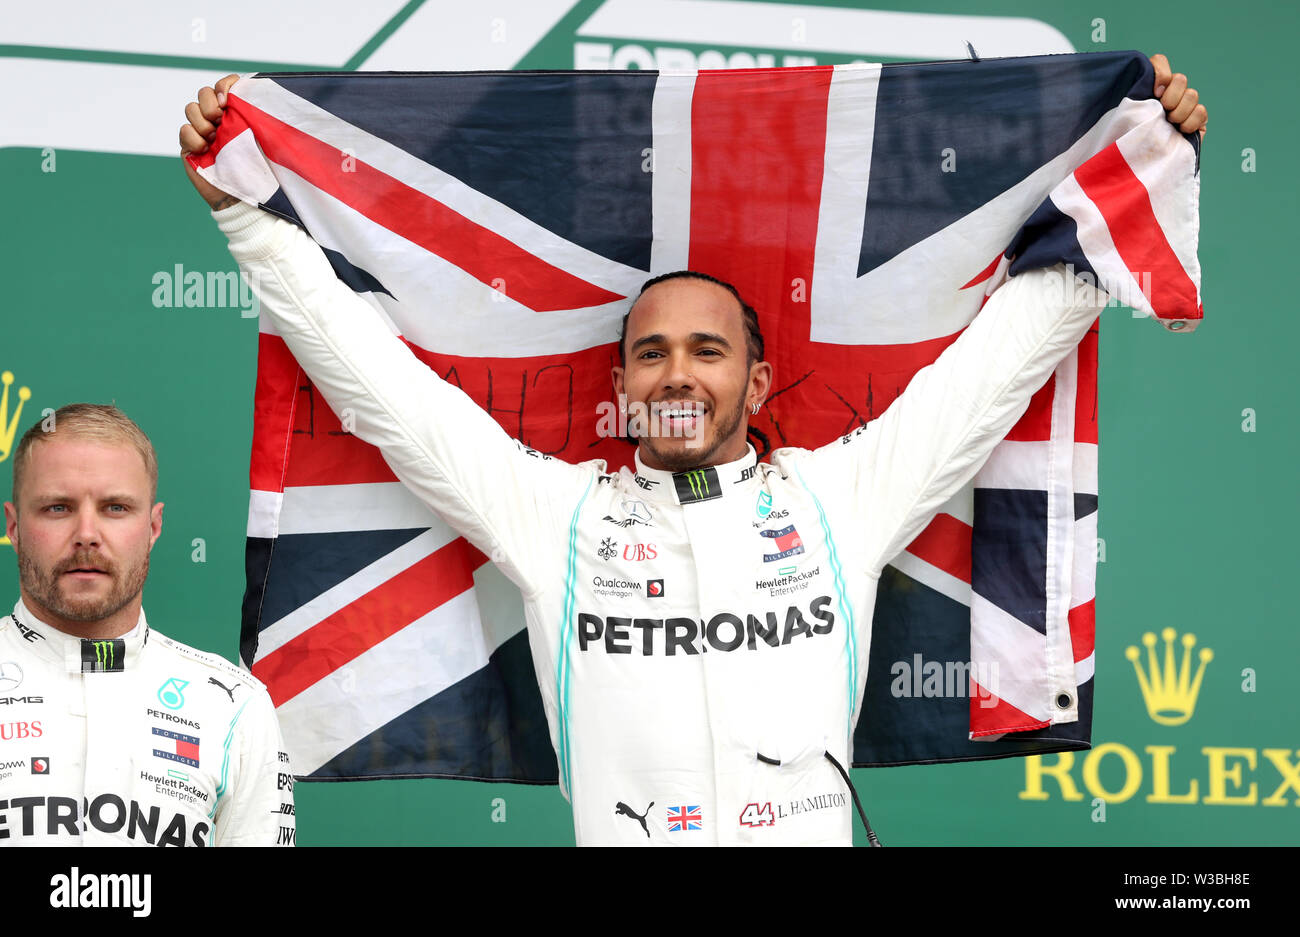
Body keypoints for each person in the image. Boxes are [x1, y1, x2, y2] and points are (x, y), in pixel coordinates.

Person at [180, 57, 1205, 845]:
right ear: (620, 389)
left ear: (754, 384)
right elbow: (382, 392)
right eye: (651, 354)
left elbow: (996, 366)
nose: (677, 375)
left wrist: (1138, 170)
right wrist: (252, 220)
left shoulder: (837, 498)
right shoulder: (556, 517)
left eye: (706, 351)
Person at [1, 404, 295, 846]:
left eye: (115, 508)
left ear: (153, 526)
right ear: (15, 526)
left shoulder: (235, 707)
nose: (87, 533)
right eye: (57, 507)